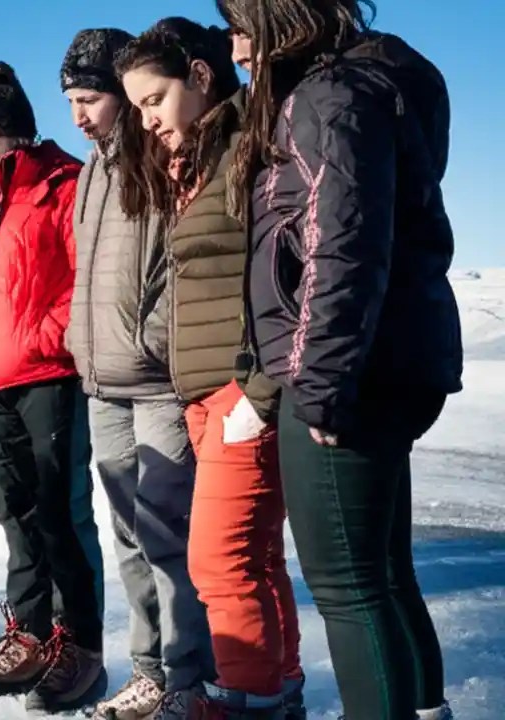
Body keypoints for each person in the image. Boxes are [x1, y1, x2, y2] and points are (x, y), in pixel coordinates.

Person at [217, 1, 461, 719]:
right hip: (380, 360)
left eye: (241, 26)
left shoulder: (330, 97)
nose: (235, 49)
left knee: (349, 588)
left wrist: (321, 383)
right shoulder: (370, 85)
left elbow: (343, 245)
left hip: (342, 368)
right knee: (383, 575)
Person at [117, 17, 304, 719]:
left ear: (199, 75)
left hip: (238, 388)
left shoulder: (248, 143)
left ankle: (245, 702)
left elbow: (282, 267)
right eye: (137, 107)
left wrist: (257, 390)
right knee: (254, 559)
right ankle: (278, 692)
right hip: (204, 392)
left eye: (153, 100)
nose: (147, 120)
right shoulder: (198, 158)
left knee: (219, 561)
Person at [59, 28, 214, 720]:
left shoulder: (162, 154)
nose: (78, 115)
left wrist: (154, 342)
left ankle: (189, 678)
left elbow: (184, 262)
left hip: (156, 381)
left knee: (166, 534)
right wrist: (81, 343)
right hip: (102, 381)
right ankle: (150, 671)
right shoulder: (90, 171)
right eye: (71, 101)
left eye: (89, 99)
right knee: (127, 536)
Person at [0, 60, 107, 712]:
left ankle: (82, 646)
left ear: (16, 138)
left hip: (48, 375)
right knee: (15, 511)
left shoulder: (62, 185)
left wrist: (44, 336)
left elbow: (85, 278)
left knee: (60, 513)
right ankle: (30, 632)